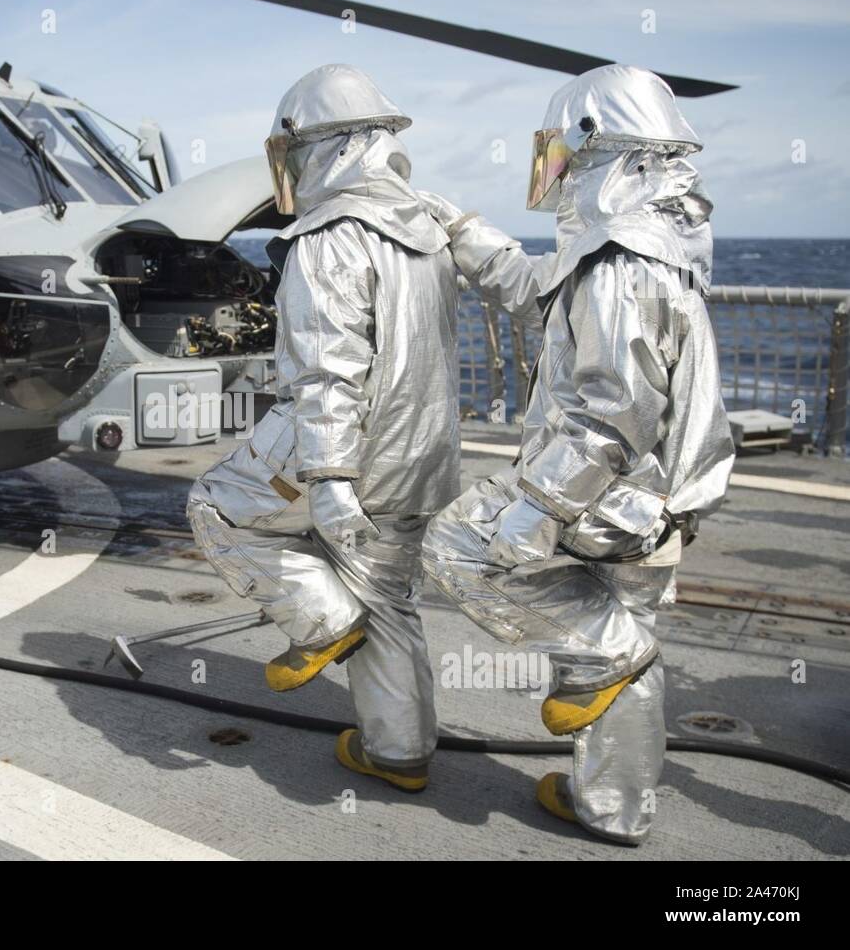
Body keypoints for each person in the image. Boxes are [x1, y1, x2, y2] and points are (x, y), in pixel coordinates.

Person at [186, 64, 537, 791]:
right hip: (425, 458)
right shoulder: (432, 228)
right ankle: (398, 751)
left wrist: (328, 480)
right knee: (388, 599)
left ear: (325, 148)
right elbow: (525, 297)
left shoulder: (325, 239)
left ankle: (319, 622)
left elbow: (327, 374)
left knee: (217, 508)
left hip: (348, 455)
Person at [422, 64, 735, 844]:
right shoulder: (656, 245)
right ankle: (614, 808)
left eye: (563, 150)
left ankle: (610, 659)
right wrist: (464, 232)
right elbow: (538, 289)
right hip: (662, 502)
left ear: (600, 148)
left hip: (610, 493)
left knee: (458, 545)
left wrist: (540, 506)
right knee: (618, 618)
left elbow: (611, 410)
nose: (554, 168)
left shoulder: (619, 261)